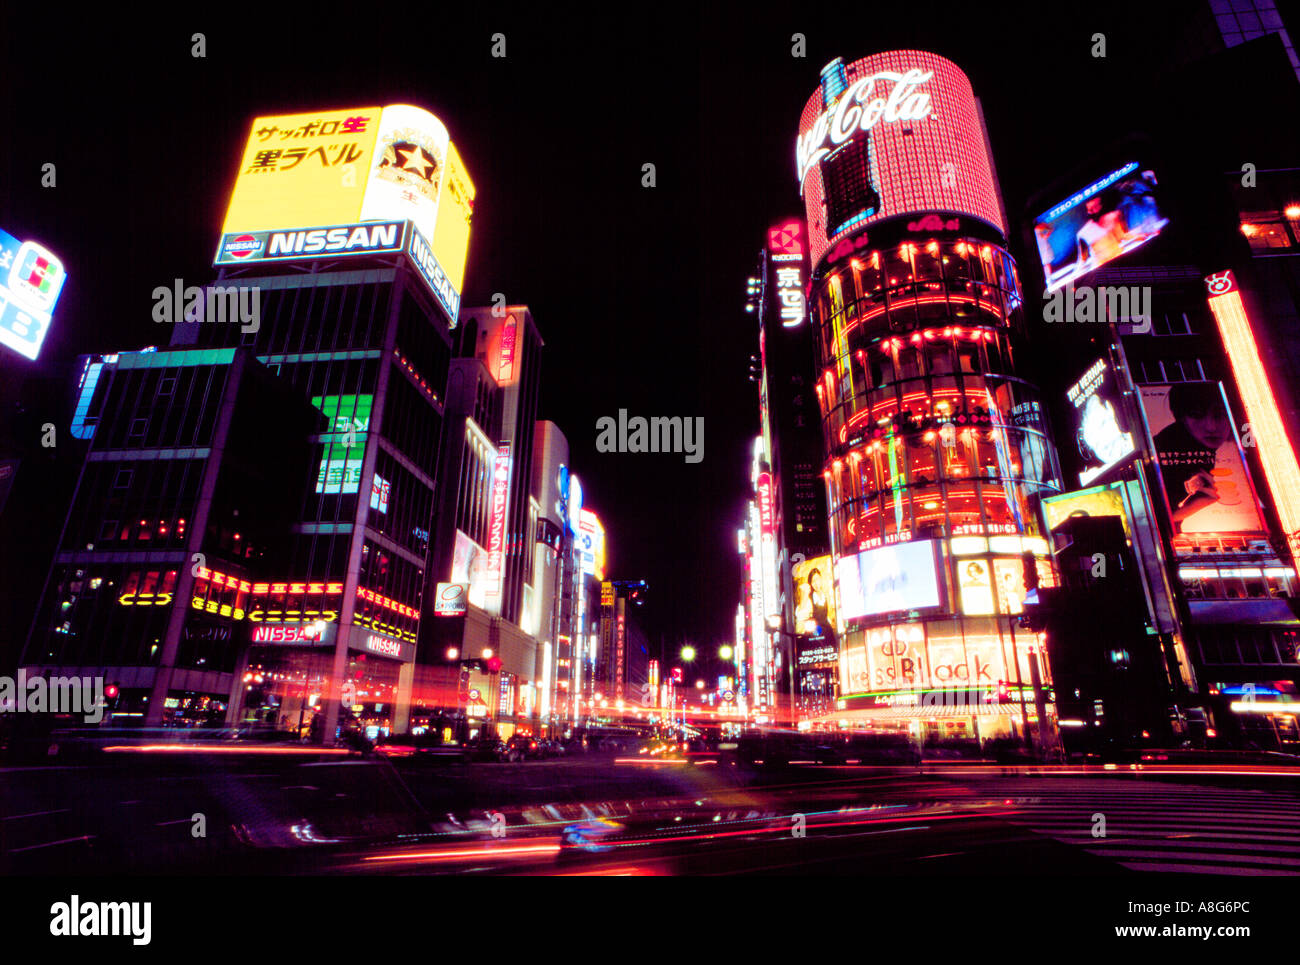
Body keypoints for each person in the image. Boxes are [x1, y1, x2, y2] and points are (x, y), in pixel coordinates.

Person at [1151, 383, 1232, 529]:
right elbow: (1158, 521)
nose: (1211, 427)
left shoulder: (1248, 440)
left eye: (1219, 415)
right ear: (1181, 418)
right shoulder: (1164, 448)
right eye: (1196, 415)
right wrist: (1204, 499)